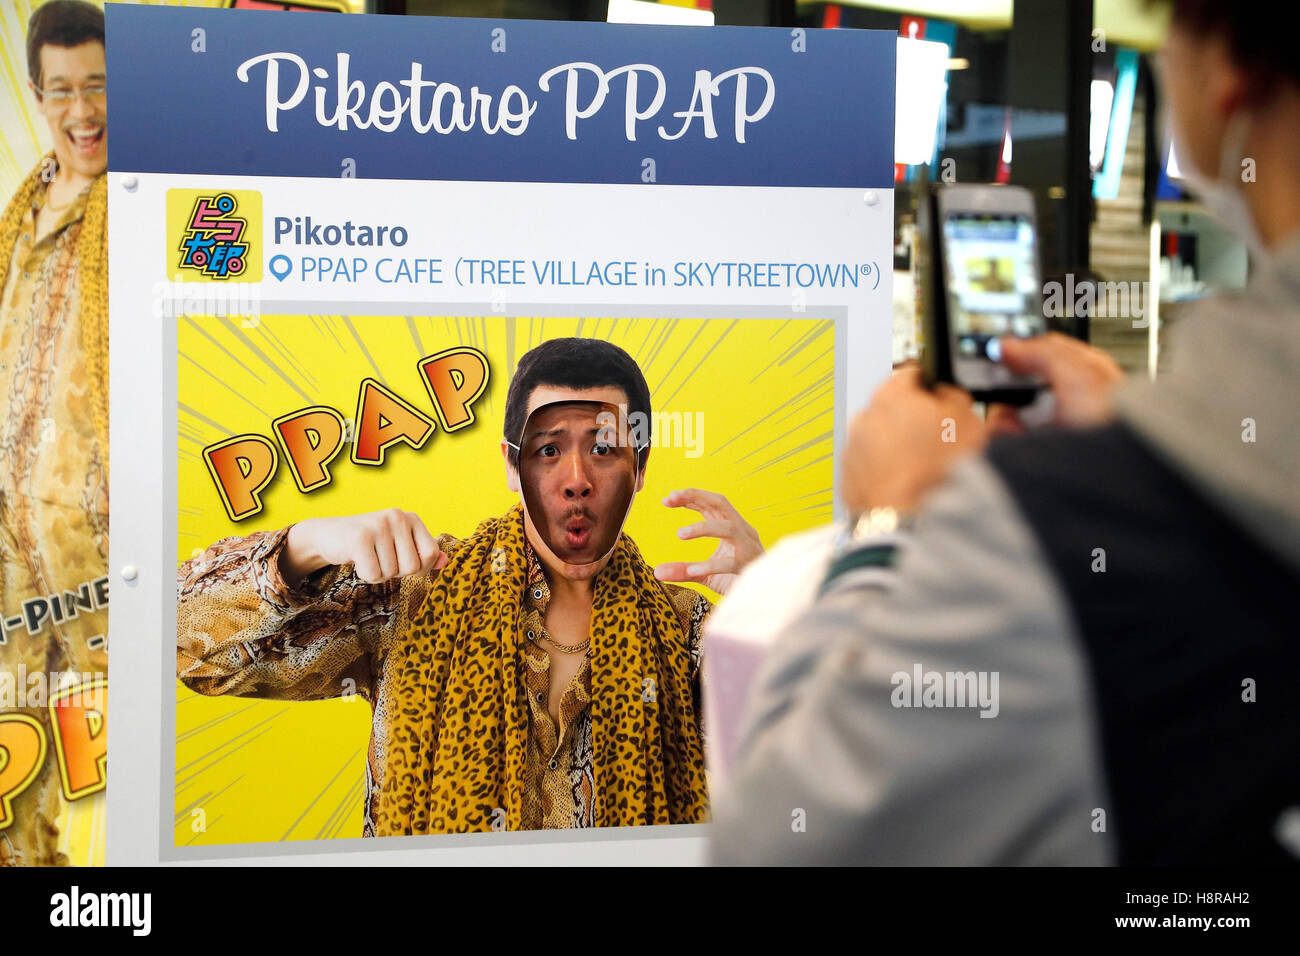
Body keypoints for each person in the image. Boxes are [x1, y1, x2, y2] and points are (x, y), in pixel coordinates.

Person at [709, 0, 1299, 865]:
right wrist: (1149, 428)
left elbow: (781, 843)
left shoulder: (1059, 544)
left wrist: (887, 529)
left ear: (1229, 71)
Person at [176, 337, 763, 836]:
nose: (577, 479)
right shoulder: (417, 595)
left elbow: (809, 793)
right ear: (512, 465)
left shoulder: (693, 633)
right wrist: (308, 544)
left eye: (603, 449)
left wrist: (788, 616)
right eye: (549, 449)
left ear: (639, 466)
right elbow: (186, 644)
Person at [0, 0, 108, 868]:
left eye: (102, 87)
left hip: (104, 543)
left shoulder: (149, 202)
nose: (85, 111)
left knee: (143, 740)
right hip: (11, 541)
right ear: (38, 95)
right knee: (16, 765)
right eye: (65, 90)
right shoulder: (19, 209)